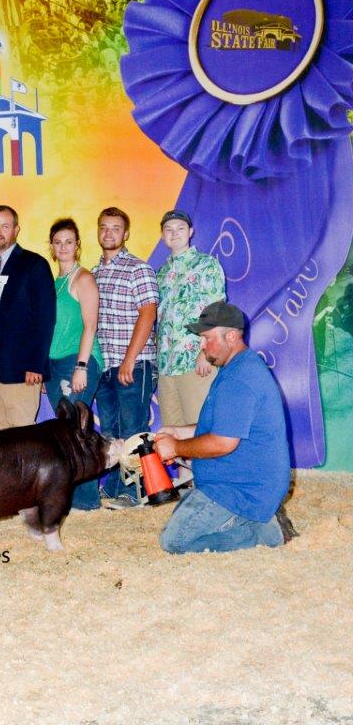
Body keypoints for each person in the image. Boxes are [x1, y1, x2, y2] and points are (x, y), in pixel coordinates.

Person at [154, 301, 297, 553]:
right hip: (235, 481)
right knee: (180, 520)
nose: (201, 345)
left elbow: (223, 442)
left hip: (240, 488)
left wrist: (176, 447)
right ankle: (259, 519)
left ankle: (263, 535)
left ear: (231, 336)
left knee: (174, 542)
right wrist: (180, 431)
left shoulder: (240, 377)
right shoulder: (237, 367)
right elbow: (228, 426)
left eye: (207, 338)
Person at [0, 204, 56, 430]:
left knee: (22, 437)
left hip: (22, 368)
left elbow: (45, 319)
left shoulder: (34, 265)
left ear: (16, 229)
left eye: (5, 226)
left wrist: (37, 364)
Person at [92, 207, 159, 506]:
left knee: (133, 431)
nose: (109, 233)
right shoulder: (92, 274)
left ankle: (134, 493)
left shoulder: (138, 268)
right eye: (104, 227)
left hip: (134, 364)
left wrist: (129, 360)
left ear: (126, 233)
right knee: (111, 432)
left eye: (115, 228)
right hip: (105, 366)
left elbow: (148, 313)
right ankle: (117, 488)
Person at [44, 218, 104, 510]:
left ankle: (88, 499)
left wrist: (81, 366)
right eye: (58, 242)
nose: (64, 247)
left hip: (78, 360)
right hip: (55, 365)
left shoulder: (84, 279)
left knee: (78, 429)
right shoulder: (53, 283)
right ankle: (72, 497)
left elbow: (90, 326)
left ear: (78, 245)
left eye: (69, 241)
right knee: (65, 431)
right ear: (52, 247)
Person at [156, 210, 226, 432]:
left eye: (180, 228)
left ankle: (203, 470)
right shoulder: (161, 273)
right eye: (168, 229)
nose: (174, 233)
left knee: (201, 431)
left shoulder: (206, 265)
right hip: (167, 366)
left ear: (190, 232)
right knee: (174, 436)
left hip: (195, 363)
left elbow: (217, 310)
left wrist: (206, 353)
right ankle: (184, 470)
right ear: (162, 236)